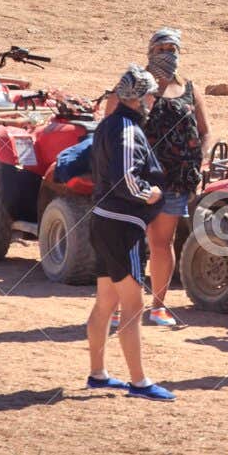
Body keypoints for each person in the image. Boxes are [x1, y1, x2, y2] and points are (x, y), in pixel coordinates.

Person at [85, 64, 175, 401]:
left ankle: (98, 373)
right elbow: (125, 176)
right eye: (150, 94)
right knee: (133, 306)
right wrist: (147, 193)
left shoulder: (110, 123)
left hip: (104, 221)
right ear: (139, 98)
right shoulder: (126, 128)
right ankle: (139, 382)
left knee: (106, 302)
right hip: (121, 226)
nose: (153, 99)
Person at [141, 27, 210, 327]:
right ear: (150, 52)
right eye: (161, 50)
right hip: (140, 177)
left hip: (177, 179)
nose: (167, 55)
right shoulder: (136, 85)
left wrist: (201, 157)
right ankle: (120, 306)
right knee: (129, 238)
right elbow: (114, 125)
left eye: (172, 49)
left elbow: (205, 130)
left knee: (161, 241)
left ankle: (158, 306)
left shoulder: (189, 89)